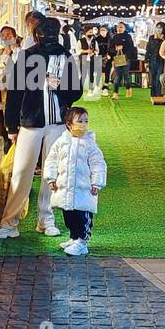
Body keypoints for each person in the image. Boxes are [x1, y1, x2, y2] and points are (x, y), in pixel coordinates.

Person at [0, 18, 83, 240]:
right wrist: (11, 125)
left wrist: (60, 87)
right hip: (31, 122)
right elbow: (15, 92)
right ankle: (10, 222)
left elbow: (76, 91)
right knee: (22, 171)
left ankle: (45, 220)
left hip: (56, 122)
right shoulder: (28, 56)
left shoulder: (65, 56)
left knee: (50, 174)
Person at [43, 106, 107, 256]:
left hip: (83, 189)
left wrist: (97, 182)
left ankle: (82, 242)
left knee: (82, 216)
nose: (83, 124)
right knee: (69, 216)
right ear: (69, 124)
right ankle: (73, 238)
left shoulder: (90, 144)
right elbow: (51, 160)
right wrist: (51, 178)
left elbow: (99, 163)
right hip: (65, 188)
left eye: (86, 121)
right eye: (79, 121)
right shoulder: (61, 142)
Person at [146, 21, 165, 99]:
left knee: (159, 78)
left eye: (160, 28)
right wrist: (146, 61)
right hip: (152, 60)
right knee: (153, 78)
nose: (158, 29)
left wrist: (160, 40)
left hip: (161, 61)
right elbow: (148, 49)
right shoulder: (152, 37)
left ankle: (159, 96)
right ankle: (153, 95)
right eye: (157, 27)